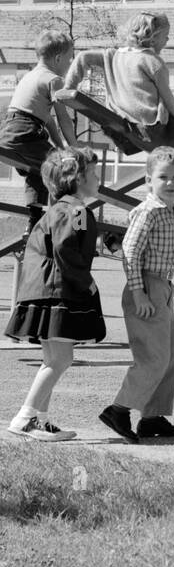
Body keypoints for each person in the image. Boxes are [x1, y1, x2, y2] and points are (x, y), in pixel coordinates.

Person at [59, 11, 174, 240]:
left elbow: (81, 58)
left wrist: (68, 87)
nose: (168, 41)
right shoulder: (153, 62)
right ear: (152, 36)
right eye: (166, 36)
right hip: (155, 126)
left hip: (129, 128)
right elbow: (168, 99)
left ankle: (157, 213)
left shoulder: (112, 55)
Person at [5, 148, 106, 442]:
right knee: (61, 360)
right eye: (94, 174)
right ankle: (25, 417)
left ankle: (41, 420)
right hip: (57, 292)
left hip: (43, 291)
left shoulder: (61, 209)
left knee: (52, 359)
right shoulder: (76, 211)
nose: (99, 179)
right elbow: (66, 249)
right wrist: (87, 282)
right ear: (77, 179)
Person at [98, 147, 174, 442]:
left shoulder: (172, 211)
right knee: (153, 357)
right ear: (148, 180)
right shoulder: (148, 211)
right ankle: (118, 410)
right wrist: (139, 293)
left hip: (163, 285)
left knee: (169, 356)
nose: (171, 182)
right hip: (146, 287)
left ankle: (151, 417)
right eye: (163, 177)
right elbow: (130, 251)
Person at [0, 29, 77, 229]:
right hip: (26, 131)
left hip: (9, 131)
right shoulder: (54, 80)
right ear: (59, 58)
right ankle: (77, 225)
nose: (69, 65)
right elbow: (63, 118)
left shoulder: (29, 77)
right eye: (70, 60)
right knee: (66, 170)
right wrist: (74, 149)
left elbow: (50, 122)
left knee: (41, 169)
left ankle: (33, 221)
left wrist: (61, 148)